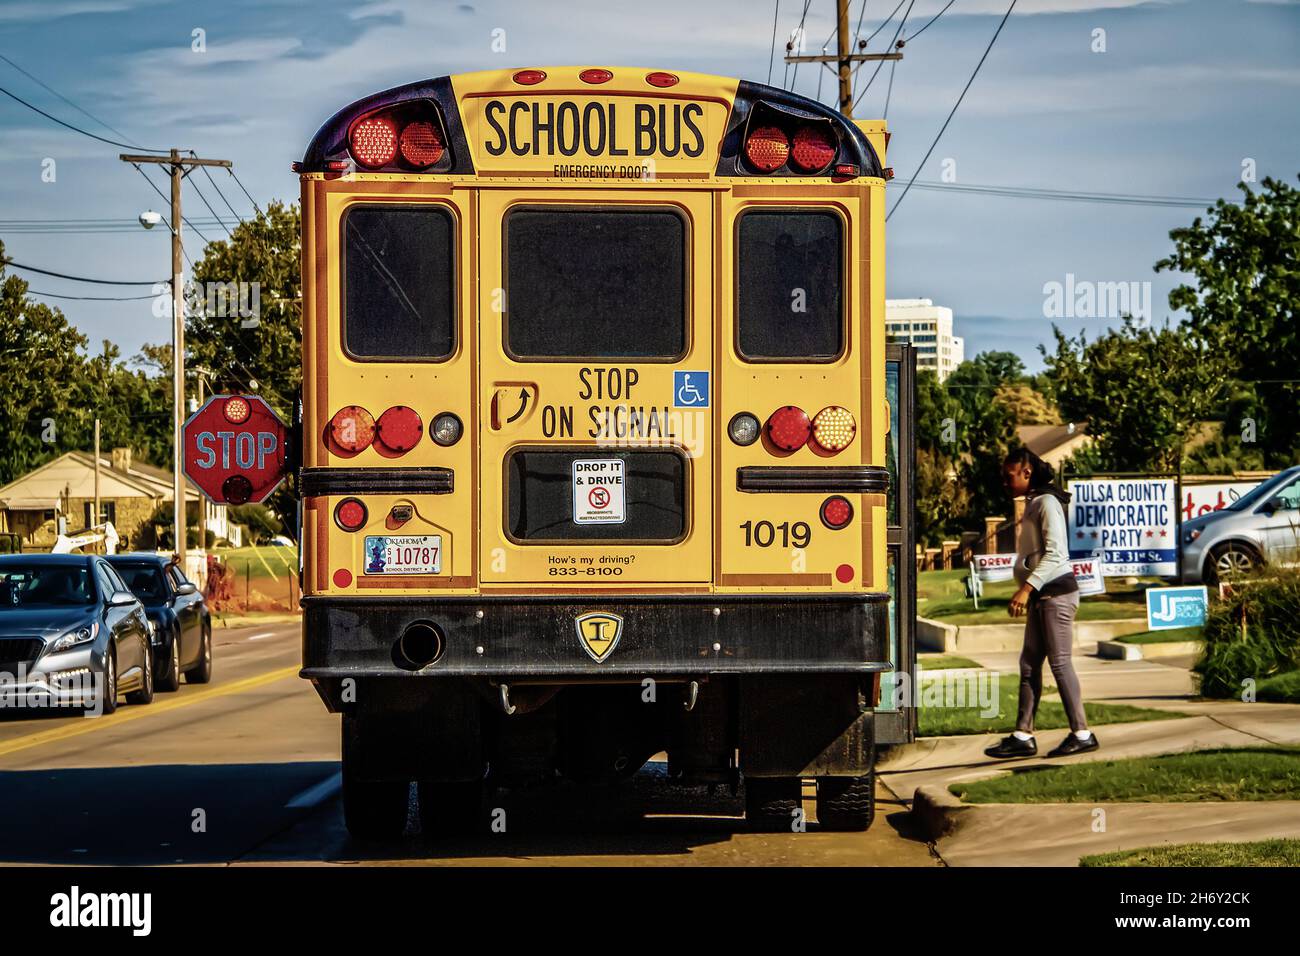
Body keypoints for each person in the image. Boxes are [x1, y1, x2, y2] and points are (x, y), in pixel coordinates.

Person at [984, 447, 1098, 759]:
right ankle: (1023, 736)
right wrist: (1028, 589)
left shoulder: (1047, 503)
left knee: (1060, 663)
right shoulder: (1036, 503)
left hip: (1056, 595)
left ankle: (1082, 733)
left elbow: (1057, 554)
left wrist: (1026, 589)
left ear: (1027, 473)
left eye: (1009, 477)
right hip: (1041, 596)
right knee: (1029, 663)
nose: (1005, 483)